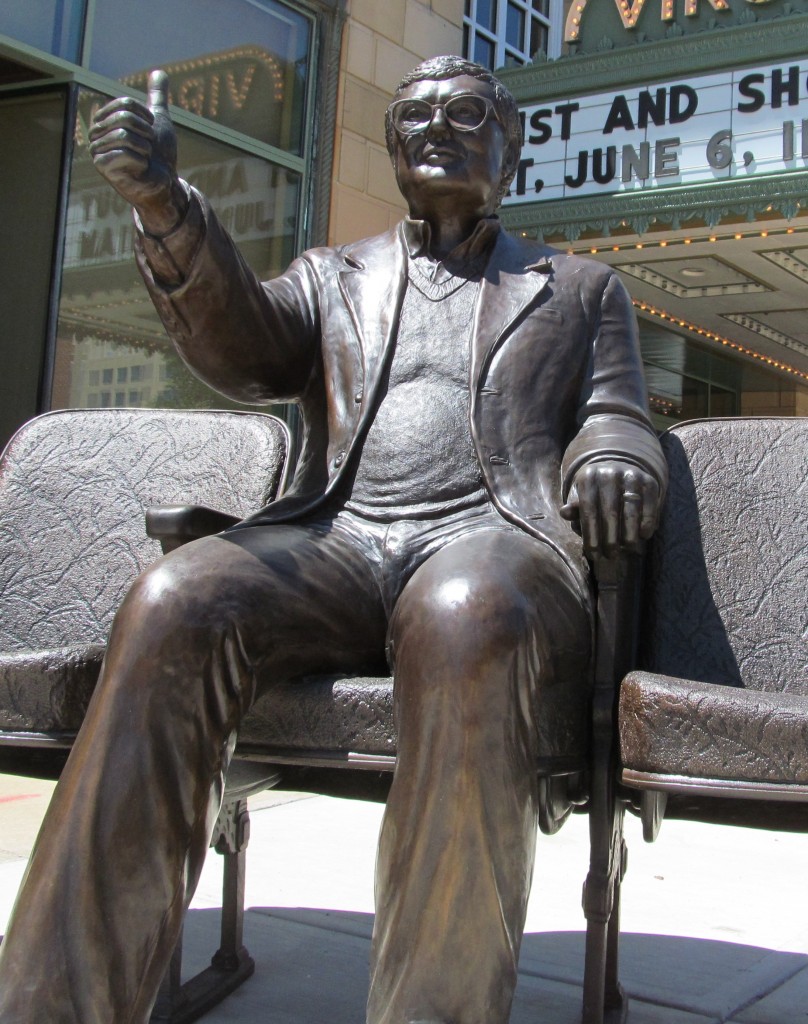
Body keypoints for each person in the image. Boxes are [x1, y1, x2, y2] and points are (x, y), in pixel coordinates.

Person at [0, 56, 666, 1024]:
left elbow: (617, 414)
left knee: (463, 612)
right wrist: (166, 208)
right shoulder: (331, 276)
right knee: (174, 597)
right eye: (414, 119)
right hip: (338, 540)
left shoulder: (578, 289)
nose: (436, 129)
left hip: (491, 541)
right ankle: (59, 1006)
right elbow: (245, 346)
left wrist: (615, 456)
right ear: (392, 150)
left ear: (511, 145)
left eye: (465, 112)